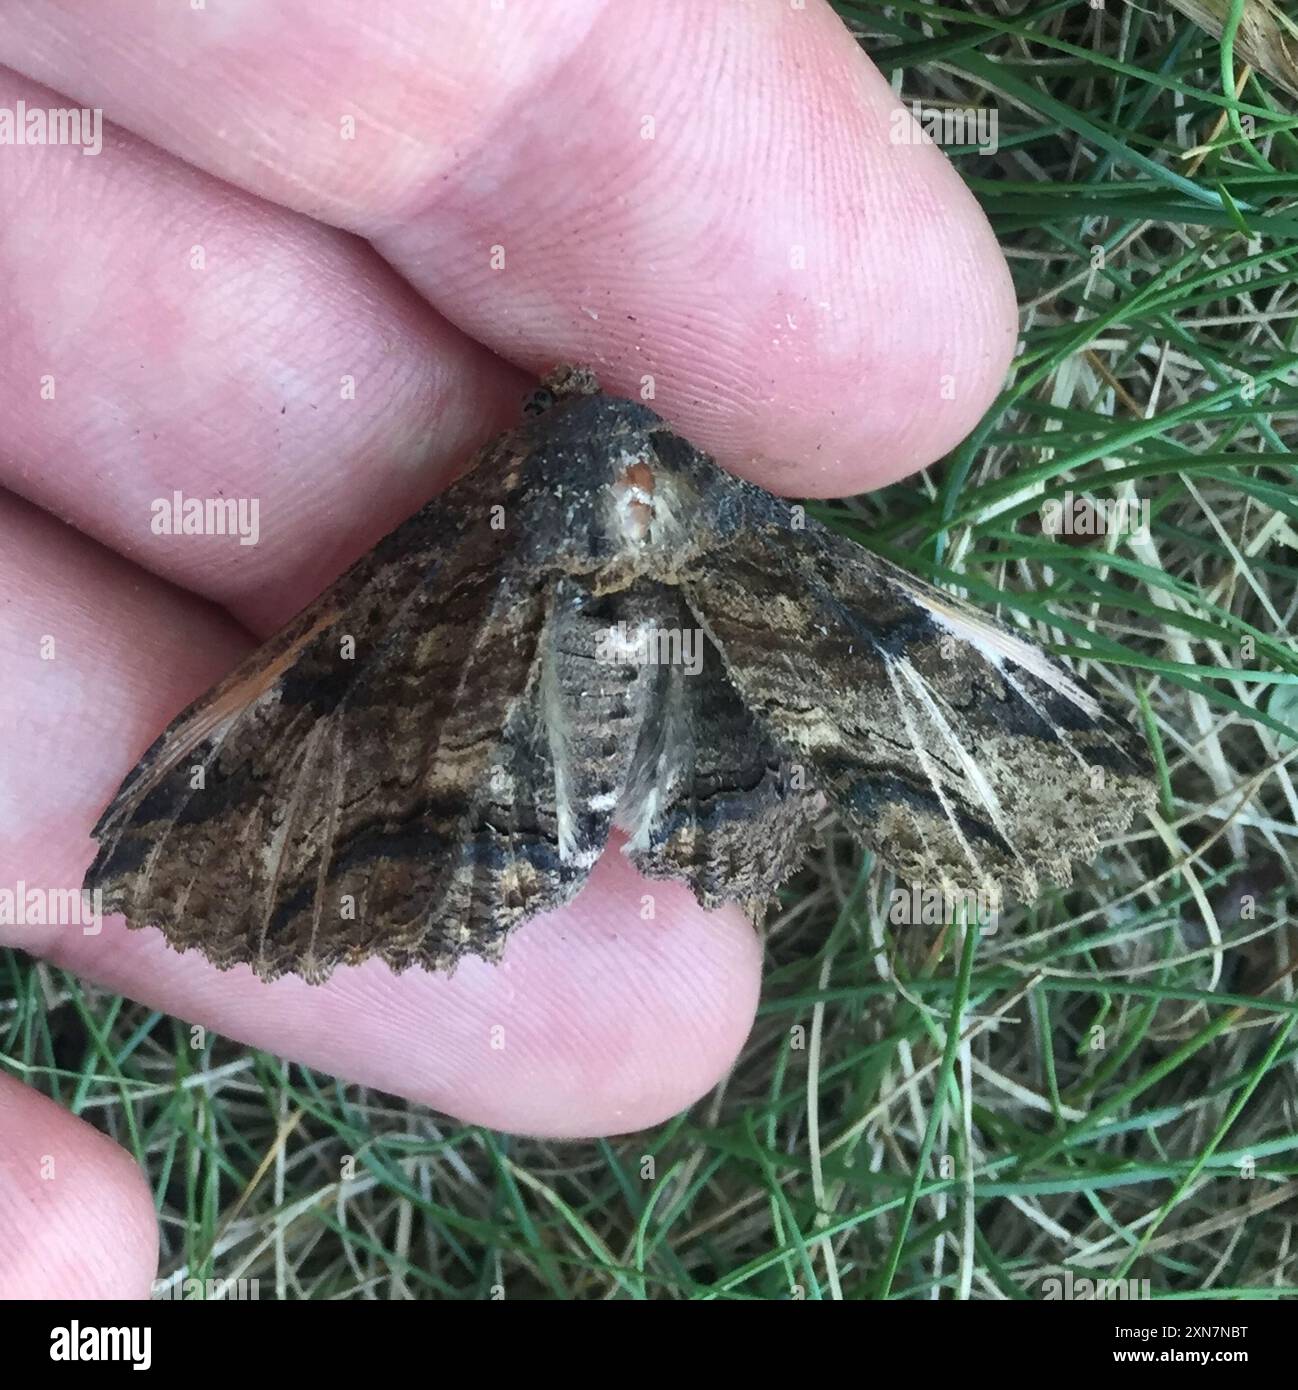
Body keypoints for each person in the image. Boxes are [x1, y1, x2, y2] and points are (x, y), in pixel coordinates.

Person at [0, 0, 1016, 1297]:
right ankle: (660, 803)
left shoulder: (470, 514)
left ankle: (621, 812)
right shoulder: (686, 504)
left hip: (491, 591)